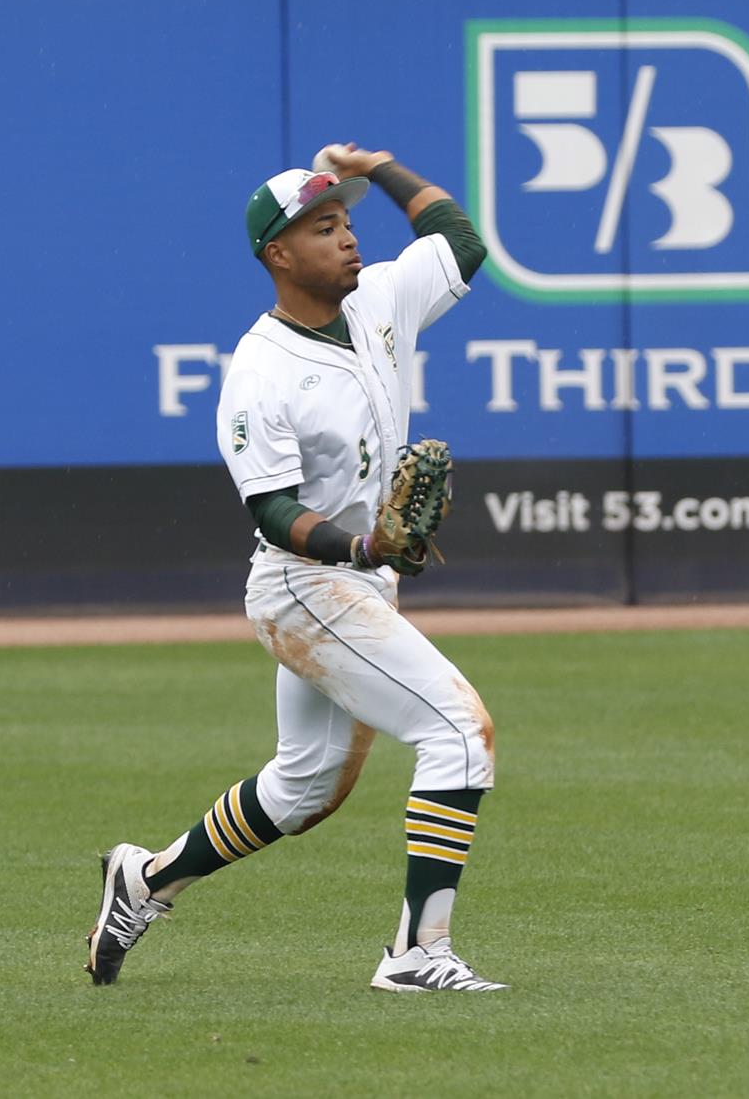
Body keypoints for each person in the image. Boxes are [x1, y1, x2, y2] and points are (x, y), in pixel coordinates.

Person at [84, 144, 505, 992]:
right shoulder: (261, 372)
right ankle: (418, 952)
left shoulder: (379, 299)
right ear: (278, 254)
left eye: (346, 221)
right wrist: (362, 548)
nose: (347, 237)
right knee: (460, 732)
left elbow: (462, 244)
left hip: (359, 582)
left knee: (303, 787)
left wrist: (380, 167)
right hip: (305, 587)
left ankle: (145, 879)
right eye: (323, 227)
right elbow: (272, 511)